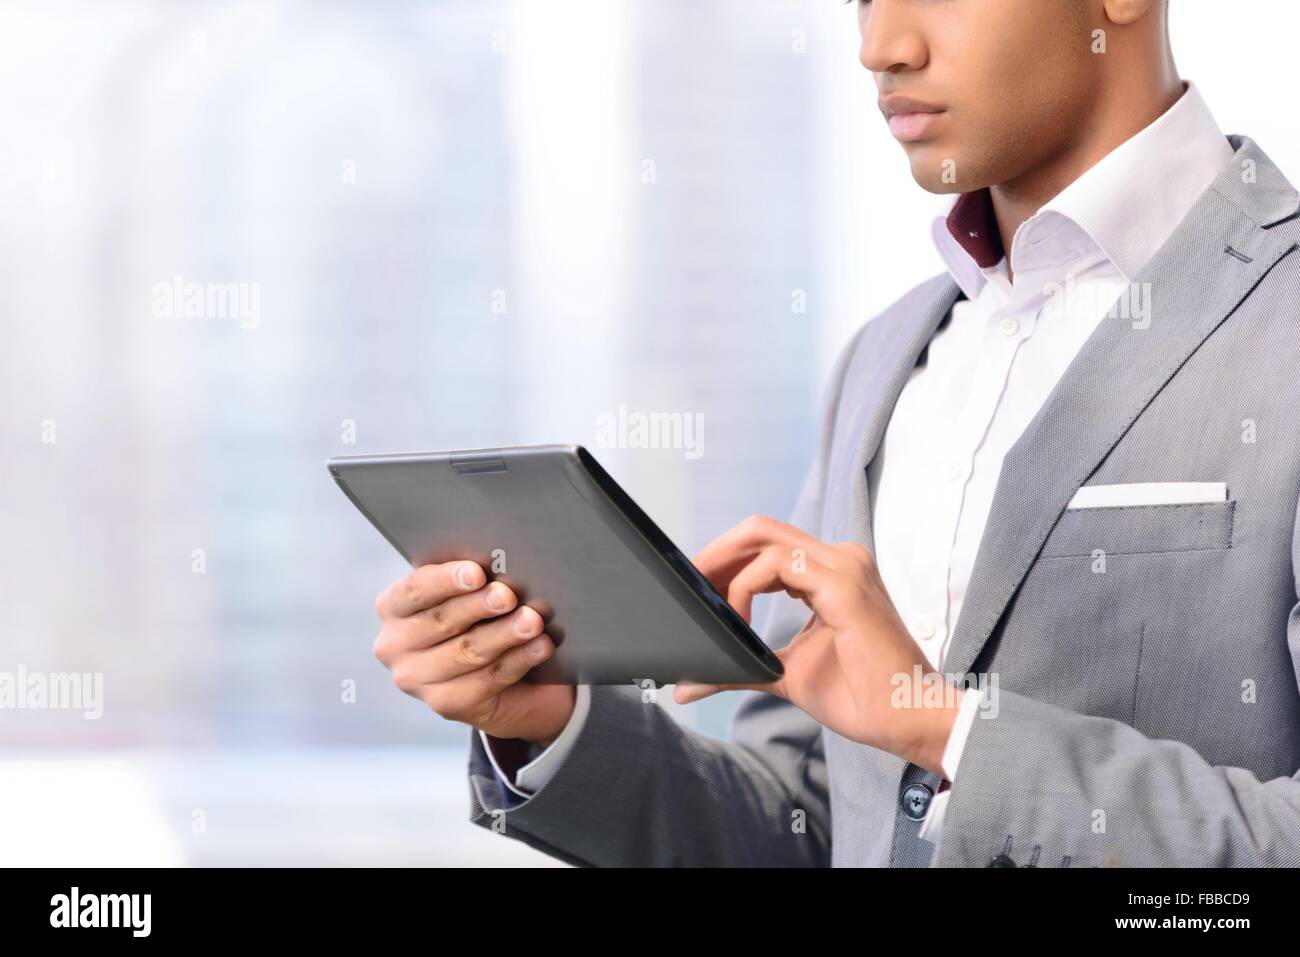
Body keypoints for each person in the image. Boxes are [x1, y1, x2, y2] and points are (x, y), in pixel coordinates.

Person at [372, 0, 1300, 866]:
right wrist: (544, 720)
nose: (878, 46)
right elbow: (810, 819)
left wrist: (948, 729)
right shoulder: (886, 355)